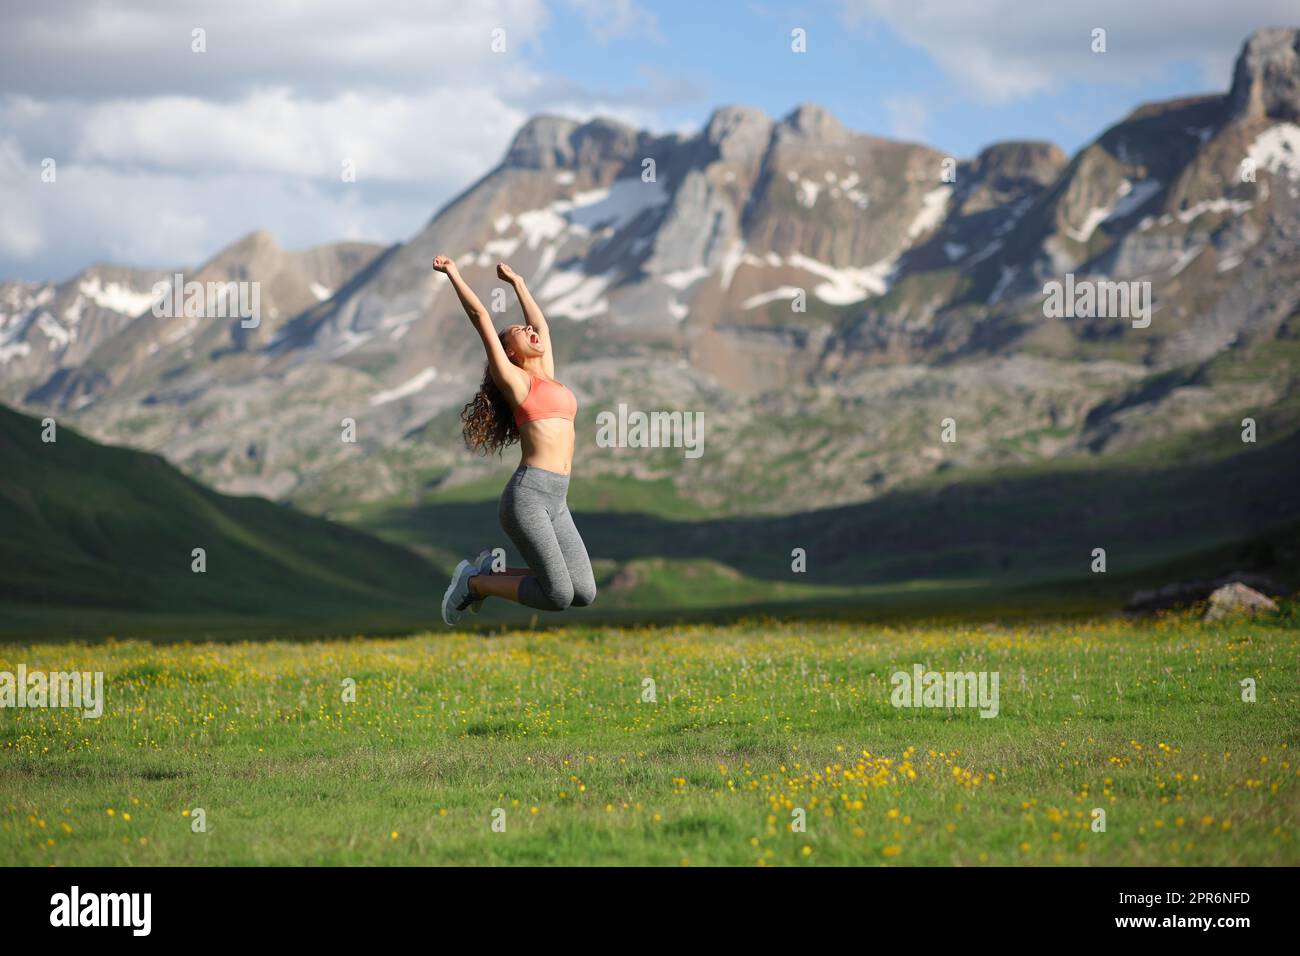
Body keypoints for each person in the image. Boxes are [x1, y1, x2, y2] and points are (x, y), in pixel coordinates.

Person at [432, 256, 596, 625]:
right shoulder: (518, 383)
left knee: (583, 592)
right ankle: (475, 583)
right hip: (529, 497)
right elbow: (480, 319)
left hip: (558, 498)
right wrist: (454, 275)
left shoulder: (548, 377)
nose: (530, 330)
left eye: (528, 328)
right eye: (521, 332)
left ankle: (487, 574)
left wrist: (518, 282)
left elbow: (542, 325)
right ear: (510, 353)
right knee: (557, 595)